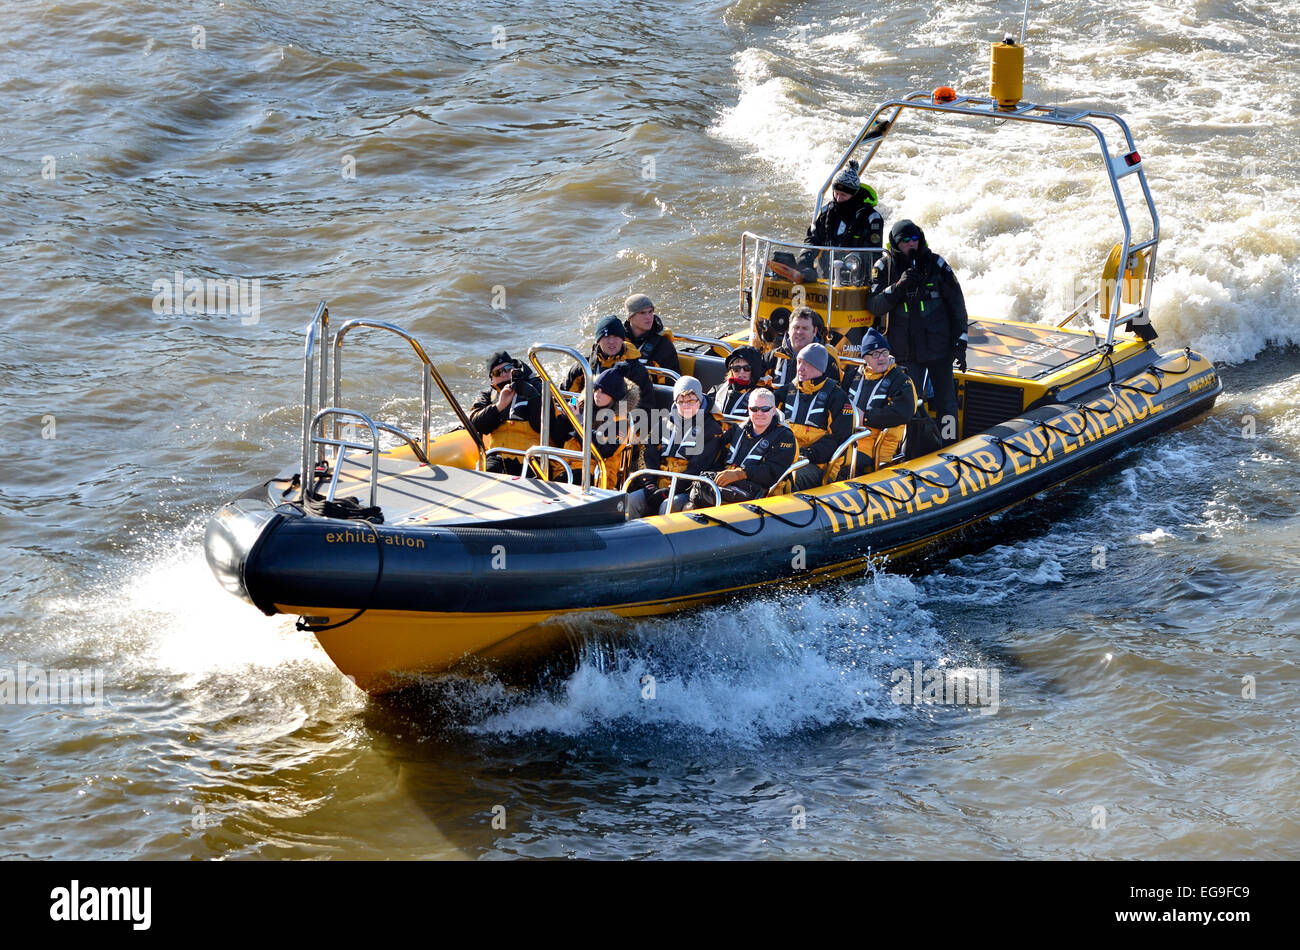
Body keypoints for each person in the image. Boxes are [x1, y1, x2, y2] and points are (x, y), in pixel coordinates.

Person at [866, 219, 968, 444]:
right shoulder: (884, 267)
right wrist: (898, 287)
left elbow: (957, 303)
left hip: (938, 347)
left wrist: (961, 339)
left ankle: (949, 444)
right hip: (905, 351)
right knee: (909, 402)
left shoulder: (936, 264)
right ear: (895, 243)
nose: (911, 244)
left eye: (915, 239)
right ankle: (912, 447)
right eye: (905, 241)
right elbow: (874, 305)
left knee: (947, 401)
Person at [684, 386, 798, 509]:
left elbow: (773, 471)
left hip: (761, 500)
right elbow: (716, 453)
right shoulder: (737, 429)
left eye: (765, 409)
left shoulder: (785, 437)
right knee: (680, 504)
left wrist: (739, 474)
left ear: (774, 410)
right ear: (748, 410)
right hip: (726, 490)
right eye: (754, 409)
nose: (759, 413)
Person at [631, 376, 724, 517]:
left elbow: (698, 468)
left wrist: (668, 491)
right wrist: (649, 484)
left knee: (667, 506)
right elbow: (647, 452)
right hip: (657, 484)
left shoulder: (712, 429)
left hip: (686, 489)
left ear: (700, 400)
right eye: (681, 401)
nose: (686, 405)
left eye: (691, 400)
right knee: (629, 501)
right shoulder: (663, 422)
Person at [775, 342, 854, 490]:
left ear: (820, 368)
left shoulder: (837, 397)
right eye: (799, 362)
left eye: (807, 364)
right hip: (786, 455)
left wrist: (807, 454)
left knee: (784, 479)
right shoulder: (787, 390)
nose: (801, 368)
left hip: (818, 464)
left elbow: (838, 438)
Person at [841, 328, 917, 473]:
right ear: (865, 358)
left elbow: (903, 413)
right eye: (875, 354)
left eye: (884, 352)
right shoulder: (852, 377)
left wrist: (866, 418)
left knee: (838, 468)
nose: (881, 358)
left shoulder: (901, 380)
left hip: (875, 447)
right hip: (846, 440)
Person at [796, 160, 884, 285]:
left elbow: (874, 254)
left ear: (854, 194)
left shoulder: (872, 219)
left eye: (843, 195)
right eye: (836, 193)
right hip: (824, 280)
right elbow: (812, 239)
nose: (838, 199)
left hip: (856, 283)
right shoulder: (826, 213)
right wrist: (805, 262)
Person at [555, 368, 643, 490]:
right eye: (596, 389)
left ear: (615, 396)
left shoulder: (621, 422)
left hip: (598, 475)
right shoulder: (582, 407)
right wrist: (566, 418)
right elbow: (557, 437)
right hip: (565, 464)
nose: (597, 394)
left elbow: (602, 451)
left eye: (603, 392)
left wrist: (578, 423)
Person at [469, 350, 544, 476]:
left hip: (530, 455)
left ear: (514, 369)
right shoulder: (487, 396)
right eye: (498, 372)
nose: (504, 374)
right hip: (499, 455)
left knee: (531, 477)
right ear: (492, 378)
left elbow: (545, 426)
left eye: (507, 368)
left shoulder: (536, 386)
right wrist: (499, 406)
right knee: (487, 473)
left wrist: (533, 397)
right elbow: (475, 424)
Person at [563, 314, 654, 405]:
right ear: (598, 340)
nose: (611, 341)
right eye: (606, 337)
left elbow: (646, 406)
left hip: (622, 416)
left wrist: (616, 416)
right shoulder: (583, 367)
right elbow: (569, 397)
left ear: (623, 339)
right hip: (585, 416)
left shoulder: (637, 371)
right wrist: (574, 405)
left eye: (616, 336)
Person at [763, 307, 842, 391]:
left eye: (805, 328)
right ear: (788, 329)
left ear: (815, 331)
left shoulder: (828, 358)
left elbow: (835, 393)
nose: (799, 332)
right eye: (796, 327)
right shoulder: (772, 357)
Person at [623, 294, 680, 375]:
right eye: (642, 313)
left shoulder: (664, 345)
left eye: (650, 312)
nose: (648, 317)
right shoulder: (617, 340)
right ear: (630, 317)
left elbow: (671, 382)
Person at [708, 345, 763, 419]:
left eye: (747, 368)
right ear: (731, 370)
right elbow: (702, 413)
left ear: (754, 370)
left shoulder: (762, 395)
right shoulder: (717, 390)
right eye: (736, 368)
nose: (742, 372)